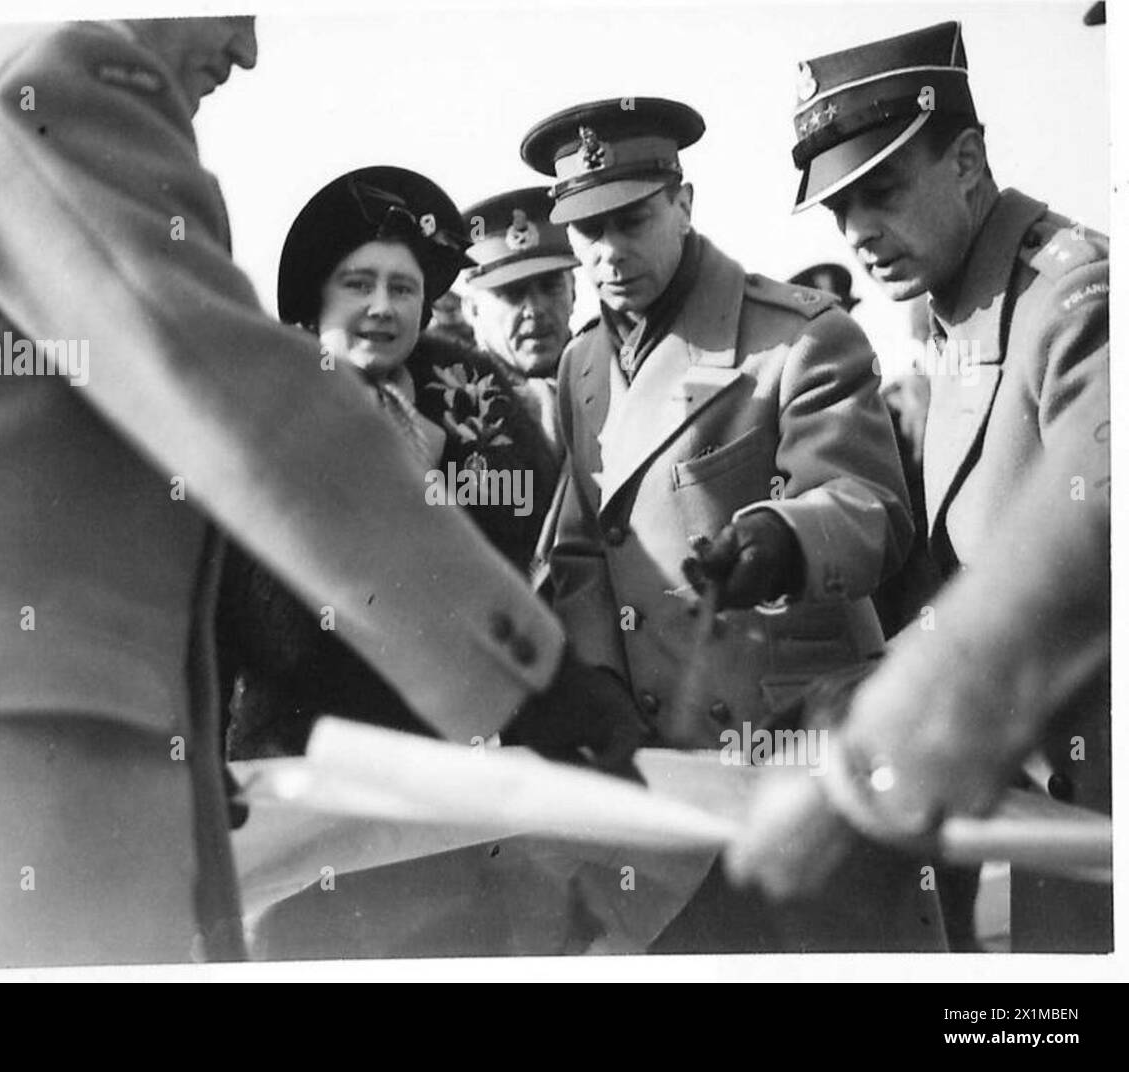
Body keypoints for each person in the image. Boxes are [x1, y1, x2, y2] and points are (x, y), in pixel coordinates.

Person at [0, 18, 638, 971]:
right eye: (236, 7)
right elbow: (233, 395)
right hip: (11, 755)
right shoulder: (59, 73)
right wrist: (527, 673)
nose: (249, 50)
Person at [521, 97, 941, 951]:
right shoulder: (580, 367)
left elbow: (870, 508)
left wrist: (784, 538)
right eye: (587, 231)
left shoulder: (798, 337)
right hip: (654, 762)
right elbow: (576, 550)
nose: (609, 253)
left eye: (633, 220)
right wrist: (598, 683)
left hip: (789, 752)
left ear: (684, 202)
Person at [729, 20, 1111, 953]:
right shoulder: (964, 311)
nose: (858, 231)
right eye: (838, 210)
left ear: (969, 161)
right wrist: (858, 687)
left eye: (883, 190)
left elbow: (1099, 521)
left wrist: (882, 747)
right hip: (1035, 802)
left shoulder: (1077, 296)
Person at [217, 166, 560, 757]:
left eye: (402, 289)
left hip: (446, 758)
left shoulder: (475, 399)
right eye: (358, 284)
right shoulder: (250, 410)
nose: (382, 307)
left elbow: (520, 578)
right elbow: (211, 629)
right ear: (316, 296)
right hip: (296, 759)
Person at [460, 186, 579, 459]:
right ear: (472, 309)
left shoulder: (616, 379)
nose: (535, 310)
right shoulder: (450, 405)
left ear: (574, 292)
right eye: (512, 292)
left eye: (550, 287)